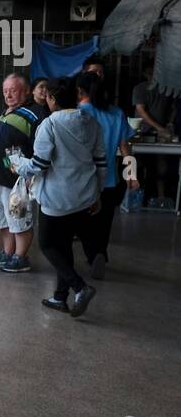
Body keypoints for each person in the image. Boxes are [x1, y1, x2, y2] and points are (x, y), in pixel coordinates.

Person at [13, 77, 106, 317]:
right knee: (64, 246)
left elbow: (40, 164)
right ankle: (59, 297)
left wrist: (19, 165)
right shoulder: (91, 122)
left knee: (47, 244)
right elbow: (101, 162)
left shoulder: (50, 125)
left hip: (57, 198)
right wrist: (97, 192)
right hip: (84, 196)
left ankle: (80, 287)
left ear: (52, 99)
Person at [0, 73, 43, 273]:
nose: (8, 95)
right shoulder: (5, 114)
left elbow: (41, 146)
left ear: (26, 91)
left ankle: (20, 257)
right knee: (3, 219)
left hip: (13, 178)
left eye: (13, 90)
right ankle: (8, 252)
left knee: (18, 217)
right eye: (5, 91)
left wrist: (33, 175)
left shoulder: (35, 113)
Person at [76, 71, 136, 278]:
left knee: (82, 223)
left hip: (81, 180)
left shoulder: (77, 112)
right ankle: (99, 253)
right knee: (103, 222)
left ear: (80, 90)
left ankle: (93, 255)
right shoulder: (116, 112)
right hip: (109, 179)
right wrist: (131, 174)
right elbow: (125, 146)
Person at [132, 66, 178, 209]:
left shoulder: (167, 89)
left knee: (161, 167)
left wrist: (169, 124)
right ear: (146, 73)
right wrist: (160, 128)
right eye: (151, 71)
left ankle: (161, 198)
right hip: (140, 132)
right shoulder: (140, 88)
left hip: (161, 135)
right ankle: (135, 198)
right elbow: (141, 111)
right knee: (137, 166)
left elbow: (174, 108)